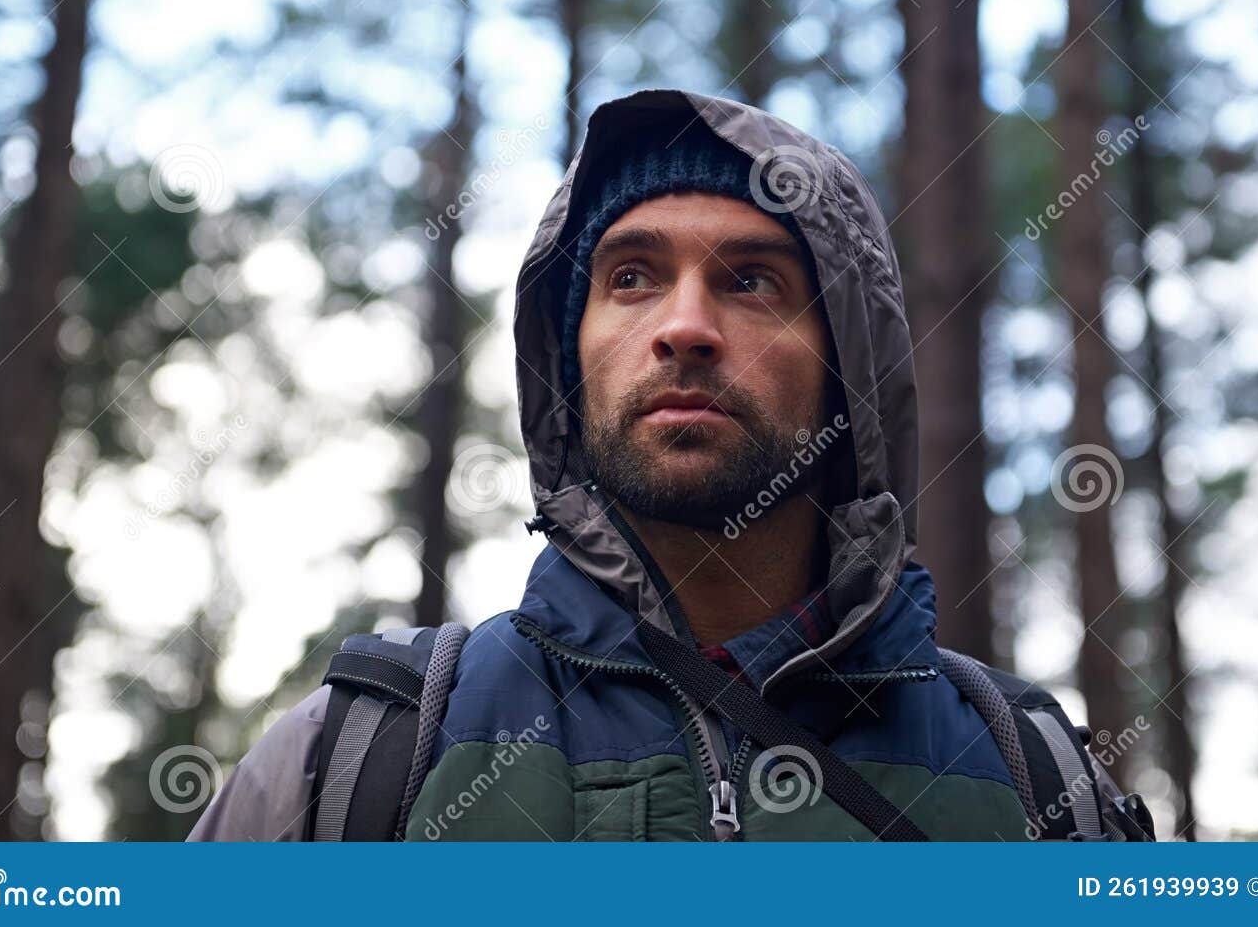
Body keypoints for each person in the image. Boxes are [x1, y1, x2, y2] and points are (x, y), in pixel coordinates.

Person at [188, 88, 1151, 842]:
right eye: (633, 277)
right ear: (571, 360)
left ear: (847, 367)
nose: (685, 327)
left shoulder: (1040, 786)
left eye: (752, 280)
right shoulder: (354, 761)